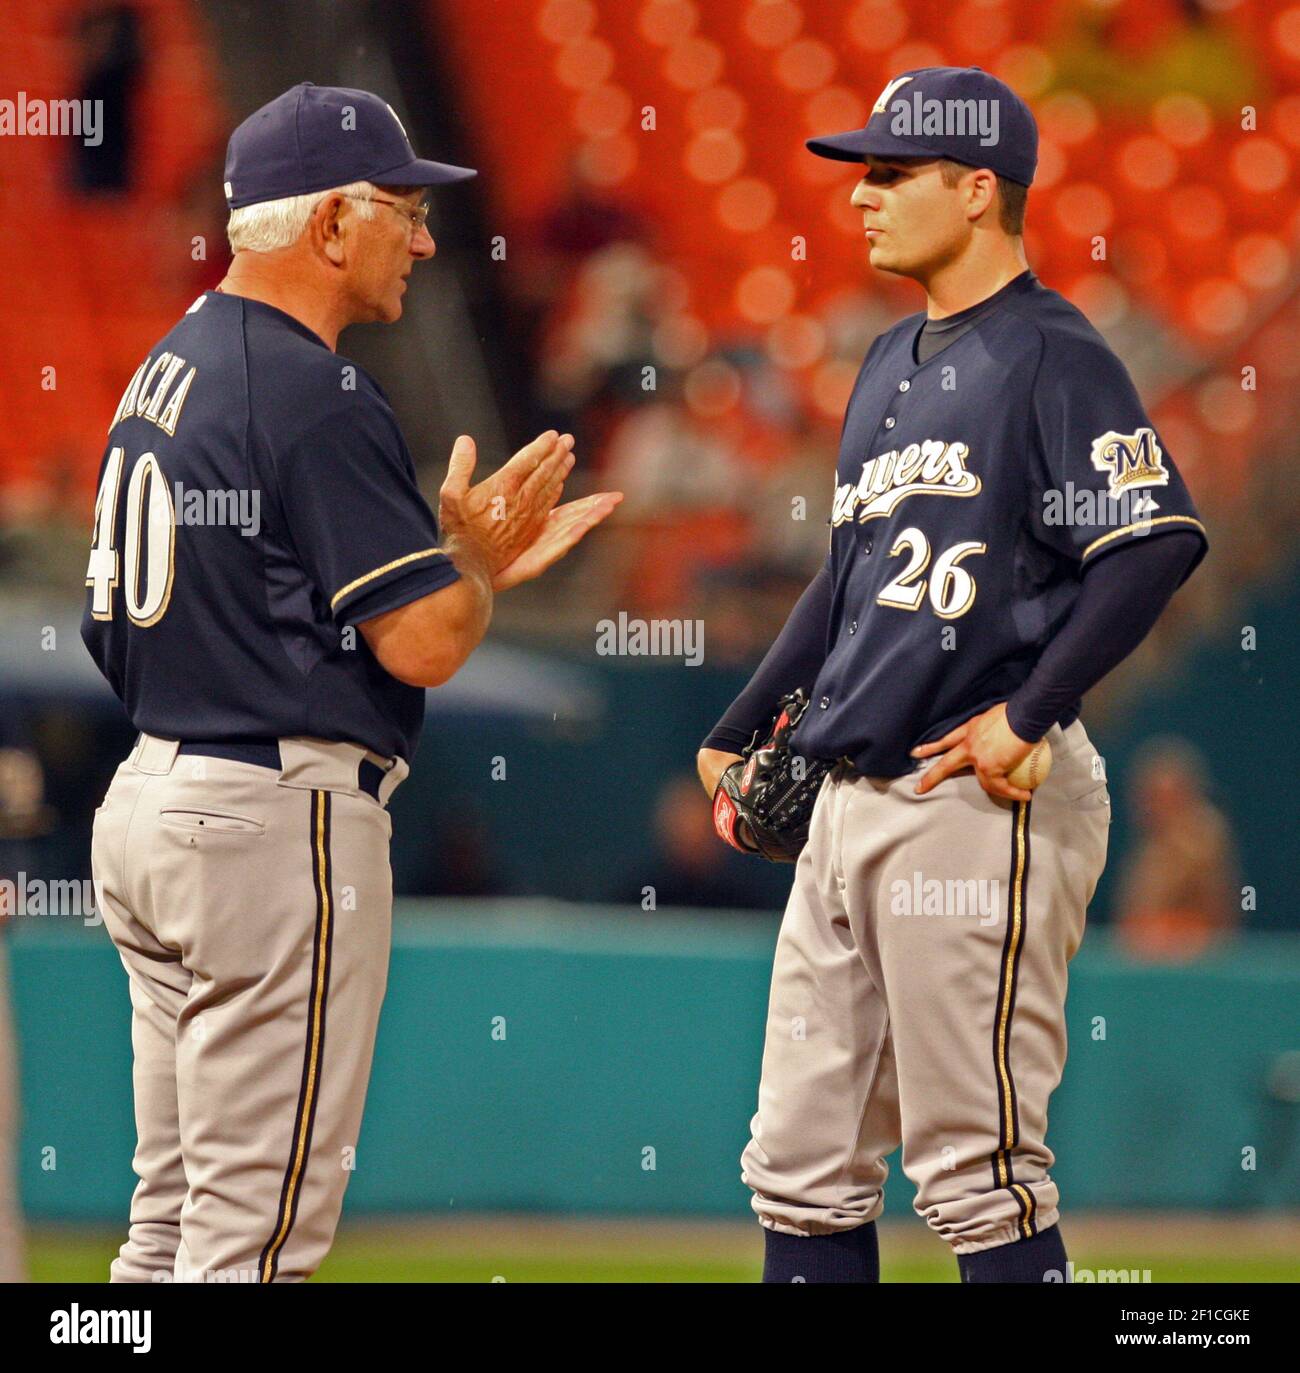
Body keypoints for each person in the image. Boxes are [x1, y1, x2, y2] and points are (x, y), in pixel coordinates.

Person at [81, 82, 620, 1283]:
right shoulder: (305, 384)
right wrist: (473, 560)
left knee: (166, 1232)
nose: (425, 240)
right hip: (268, 819)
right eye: (401, 211)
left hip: (156, 803)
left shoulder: (167, 366)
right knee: (252, 1244)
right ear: (330, 224)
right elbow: (422, 640)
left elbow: (108, 626)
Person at [697, 67, 1207, 1283]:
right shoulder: (884, 359)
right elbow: (849, 574)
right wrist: (736, 724)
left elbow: (1153, 540)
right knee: (800, 1165)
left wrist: (1032, 713)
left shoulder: (1048, 354)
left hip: (969, 797)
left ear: (977, 190)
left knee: (977, 1176)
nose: (861, 195)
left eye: (889, 172)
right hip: (847, 795)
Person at [1116, 737, 1239, 960]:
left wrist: (1172, 933)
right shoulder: (1149, 846)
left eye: (1163, 798)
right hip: (1144, 963)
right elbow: (1134, 916)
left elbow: (1222, 916)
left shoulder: (1205, 835)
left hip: (1195, 965)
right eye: (1148, 798)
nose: (1153, 808)